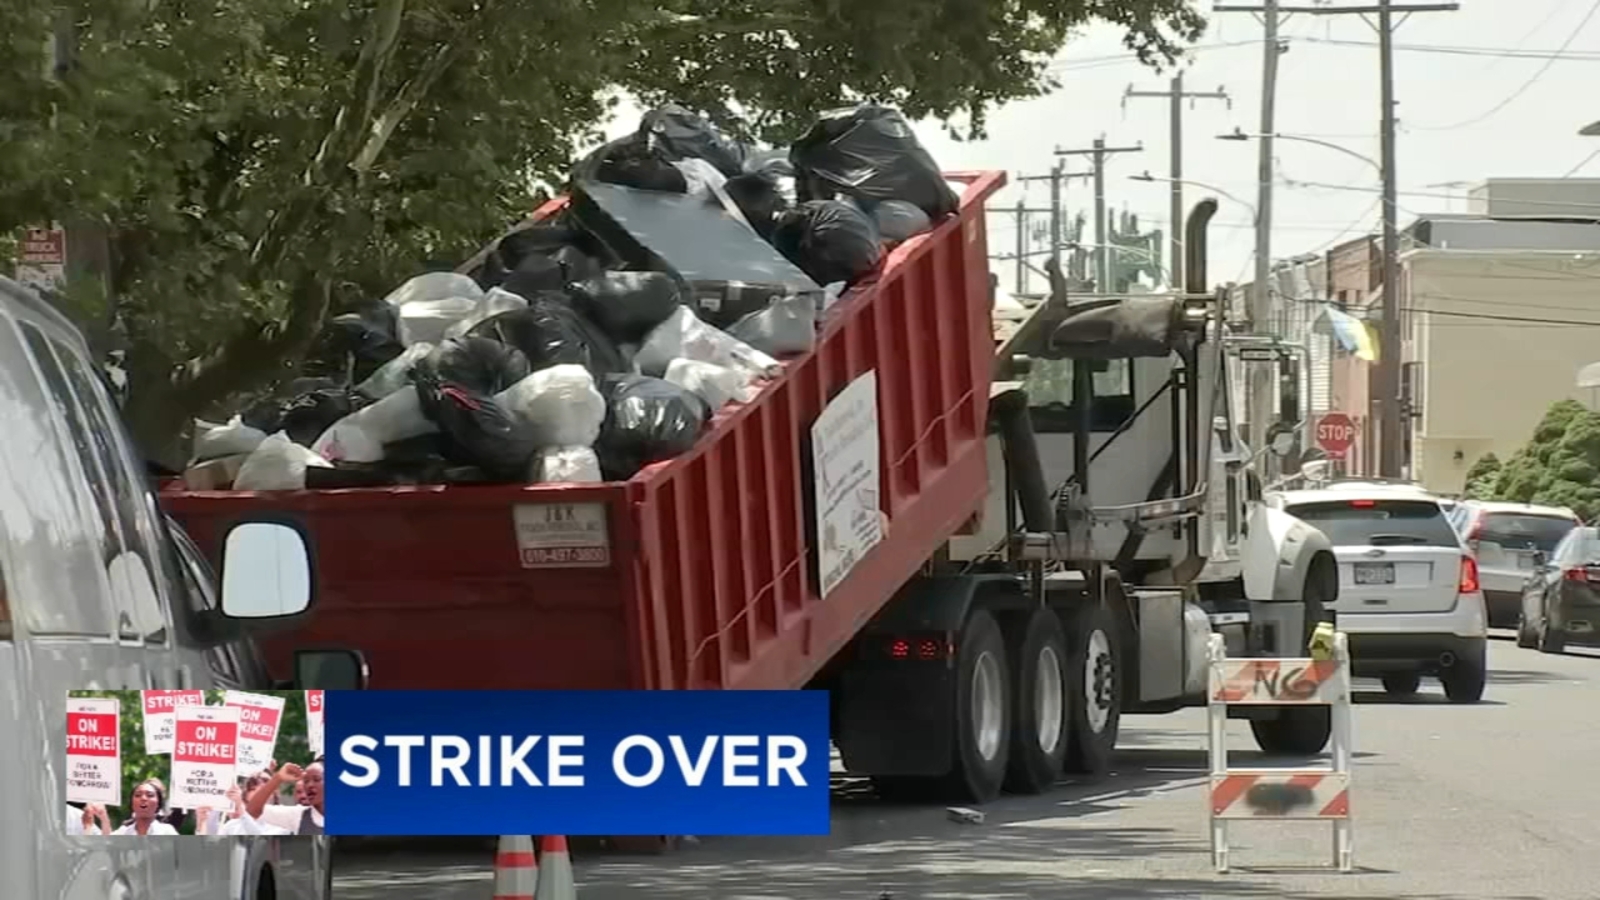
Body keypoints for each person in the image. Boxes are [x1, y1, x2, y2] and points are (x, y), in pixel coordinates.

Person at [245, 758, 325, 835]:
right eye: (306, 781)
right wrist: (278, 777)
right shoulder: (298, 816)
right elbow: (252, 811)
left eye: (317, 779)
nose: (310, 785)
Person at [110, 780, 180, 835]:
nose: (143, 798)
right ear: (132, 803)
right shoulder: (123, 833)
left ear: (158, 803)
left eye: (150, 795)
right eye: (138, 795)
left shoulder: (167, 832)